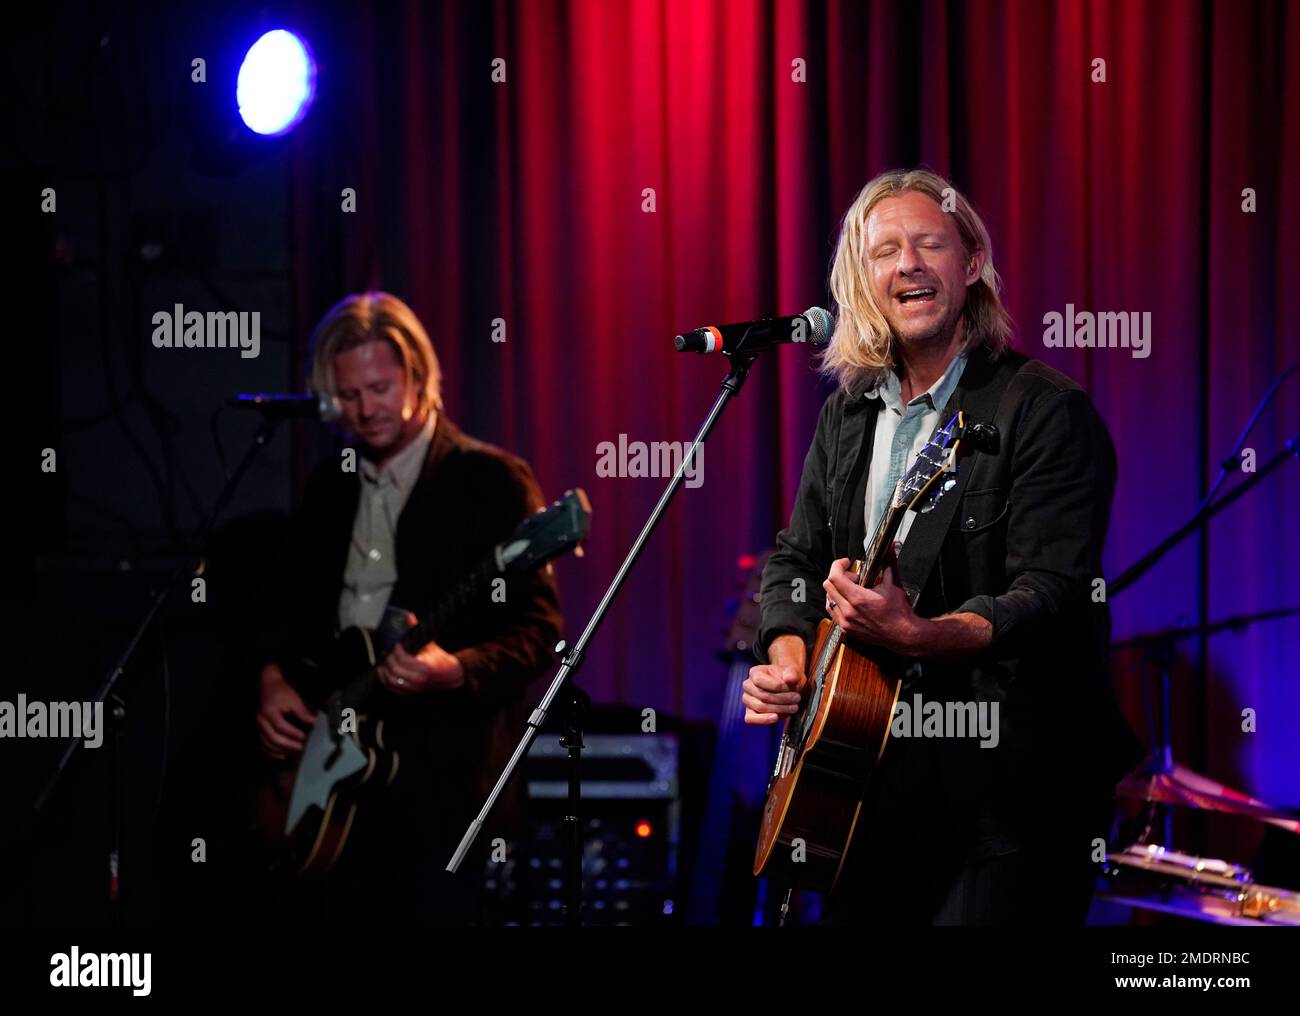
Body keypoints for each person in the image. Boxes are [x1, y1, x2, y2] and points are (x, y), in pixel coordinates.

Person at [743, 169, 1144, 925]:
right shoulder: (848, 414)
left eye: (931, 244)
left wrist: (920, 635)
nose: (909, 265)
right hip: (871, 782)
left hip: (1012, 795)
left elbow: (1053, 594)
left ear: (971, 266)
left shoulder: (1044, 410)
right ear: (860, 282)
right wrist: (789, 663)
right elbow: (794, 560)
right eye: (885, 251)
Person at [254, 291, 563, 923]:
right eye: (348, 395)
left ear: (419, 377)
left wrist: (458, 669)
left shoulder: (490, 479)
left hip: (444, 786)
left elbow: (540, 631)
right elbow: (287, 607)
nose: (364, 410)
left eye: (379, 387)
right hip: (335, 777)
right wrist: (273, 677)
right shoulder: (330, 482)